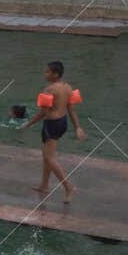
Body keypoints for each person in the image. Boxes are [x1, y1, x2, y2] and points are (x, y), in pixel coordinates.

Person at [18, 60, 86, 202]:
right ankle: (44, 185)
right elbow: (71, 109)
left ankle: (68, 187)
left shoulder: (49, 90)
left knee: (50, 158)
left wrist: (28, 124)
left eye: (48, 71)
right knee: (46, 155)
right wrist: (77, 127)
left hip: (52, 124)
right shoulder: (68, 87)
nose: (45, 73)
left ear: (55, 74)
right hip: (62, 122)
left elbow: (43, 113)